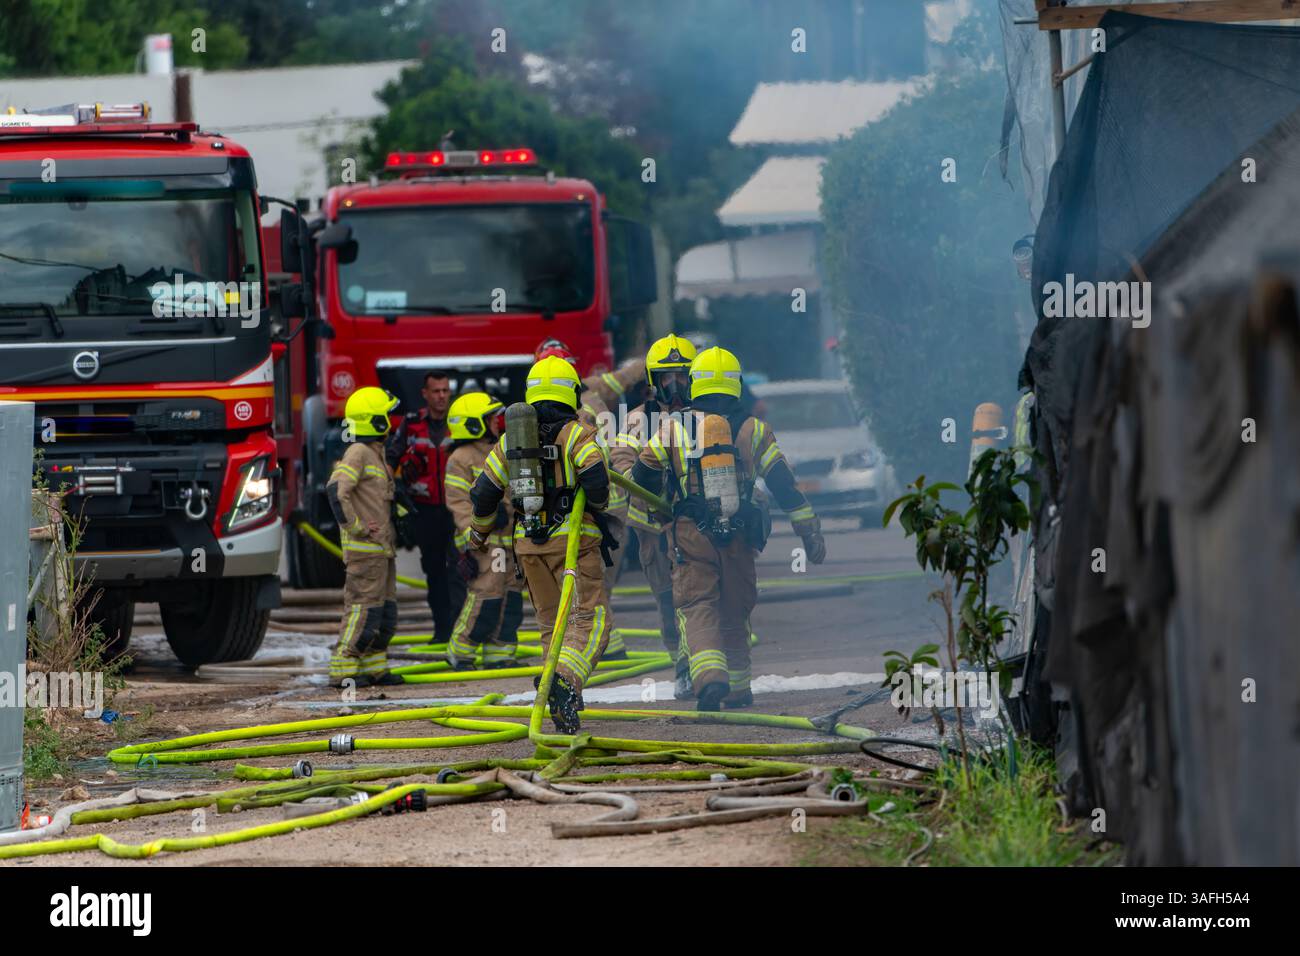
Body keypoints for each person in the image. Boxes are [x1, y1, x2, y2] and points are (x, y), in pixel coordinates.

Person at [631, 347, 827, 711]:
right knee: (735, 611)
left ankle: (710, 680)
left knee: (698, 605)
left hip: (690, 534)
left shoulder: (672, 427)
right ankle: (738, 689)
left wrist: (662, 508)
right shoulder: (754, 430)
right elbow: (784, 484)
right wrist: (809, 530)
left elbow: (642, 477)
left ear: (695, 384)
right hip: (739, 534)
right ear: (736, 385)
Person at [467, 355, 613, 732]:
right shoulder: (577, 433)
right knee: (591, 620)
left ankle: (559, 697)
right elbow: (597, 480)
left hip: (527, 546)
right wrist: (594, 504)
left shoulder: (510, 443)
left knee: (552, 625)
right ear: (573, 393)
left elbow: (483, 492)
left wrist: (479, 533)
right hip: (572, 544)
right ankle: (564, 679)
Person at [609, 333, 697, 698]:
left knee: (699, 598)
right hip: (654, 530)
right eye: (666, 378)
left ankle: (706, 665)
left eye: (681, 377)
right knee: (668, 601)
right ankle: (682, 667)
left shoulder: (705, 417)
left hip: (695, 526)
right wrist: (643, 485)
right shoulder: (636, 421)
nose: (674, 386)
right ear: (653, 381)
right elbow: (620, 460)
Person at [533, 338, 629, 657]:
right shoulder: (593, 398)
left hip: (582, 507)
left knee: (577, 587)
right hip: (603, 503)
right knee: (594, 581)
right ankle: (598, 645)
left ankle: (579, 651)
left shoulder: (542, 419)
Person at [327, 386, 405, 687]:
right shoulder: (358, 452)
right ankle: (343, 667)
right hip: (365, 550)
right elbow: (336, 491)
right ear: (375, 420)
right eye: (386, 415)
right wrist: (358, 527)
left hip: (381, 550)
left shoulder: (375, 453)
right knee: (364, 610)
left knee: (385, 613)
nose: (391, 421)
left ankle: (375, 667)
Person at [443, 391, 523, 669]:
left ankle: (499, 654)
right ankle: (461, 651)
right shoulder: (461, 458)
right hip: (486, 544)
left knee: (510, 596)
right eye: (490, 419)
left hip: (510, 541)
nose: (496, 423)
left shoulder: (499, 448)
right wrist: (476, 536)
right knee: (487, 596)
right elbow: (458, 503)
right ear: (473, 423)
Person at [389, 372, 464, 641]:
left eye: (445, 391)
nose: (441, 396)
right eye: (436, 391)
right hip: (424, 510)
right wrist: (396, 490)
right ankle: (441, 631)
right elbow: (391, 457)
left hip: (456, 511)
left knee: (459, 572)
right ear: (425, 394)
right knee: (434, 573)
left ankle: (459, 632)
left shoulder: (461, 422)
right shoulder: (411, 425)